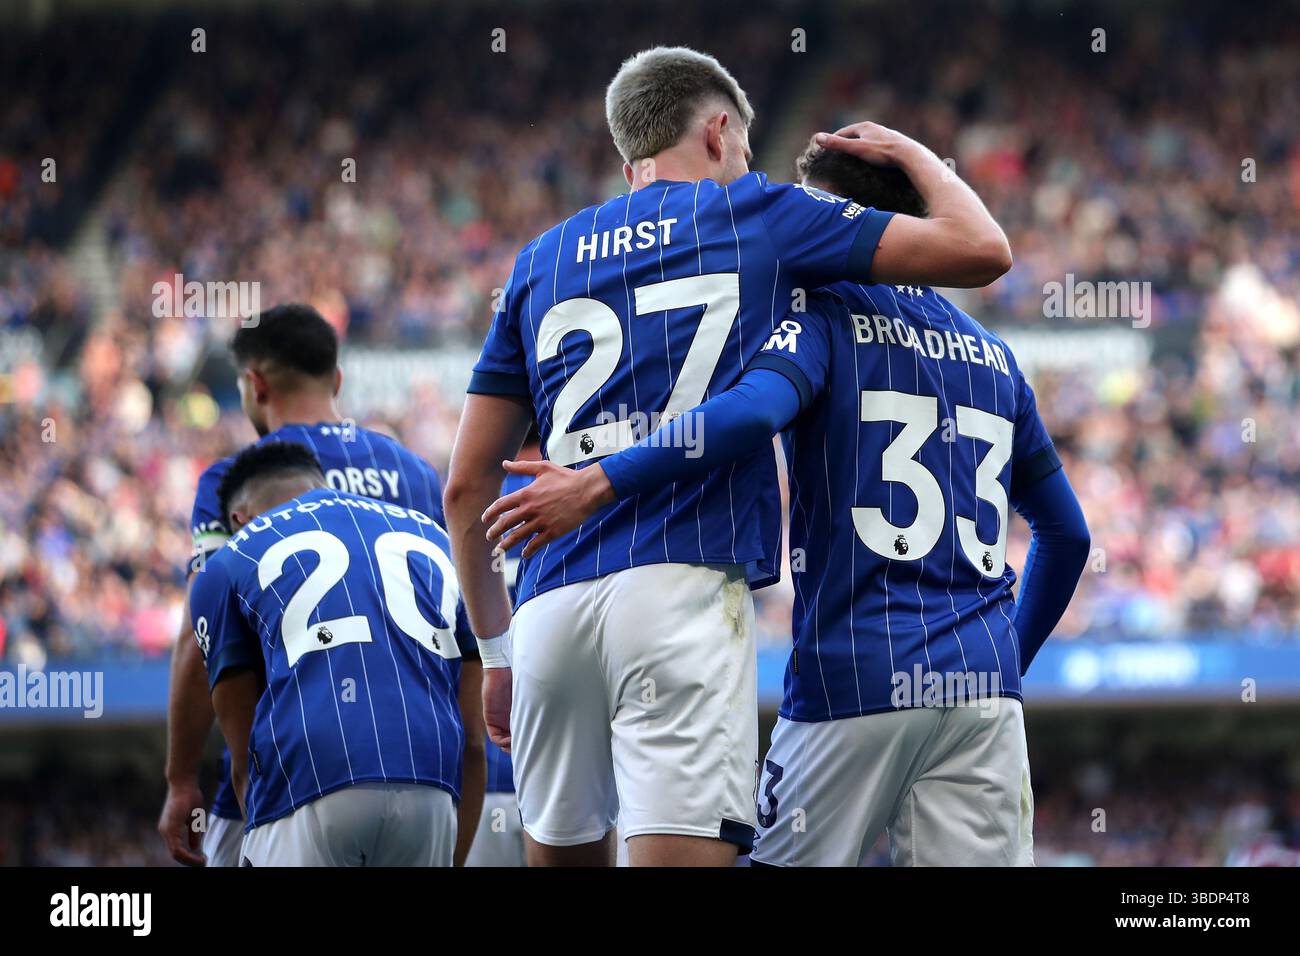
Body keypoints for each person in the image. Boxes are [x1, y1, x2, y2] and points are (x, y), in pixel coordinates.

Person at [444, 44, 1011, 867]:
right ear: (718, 133)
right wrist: (913, 154)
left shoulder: (538, 261)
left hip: (545, 606)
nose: (748, 163)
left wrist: (495, 656)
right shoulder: (759, 212)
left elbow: (465, 488)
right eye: (743, 147)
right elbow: (981, 249)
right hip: (680, 584)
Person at [159, 303, 484, 867]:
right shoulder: (413, 471)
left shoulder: (237, 479)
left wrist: (180, 776)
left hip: (293, 761)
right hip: (424, 755)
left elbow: (200, 634)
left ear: (254, 384)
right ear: (336, 379)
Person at [190, 441, 475, 866]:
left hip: (309, 782)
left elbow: (244, 761)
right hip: (432, 782)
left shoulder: (229, 559)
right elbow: (474, 741)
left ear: (239, 518)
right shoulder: (435, 536)